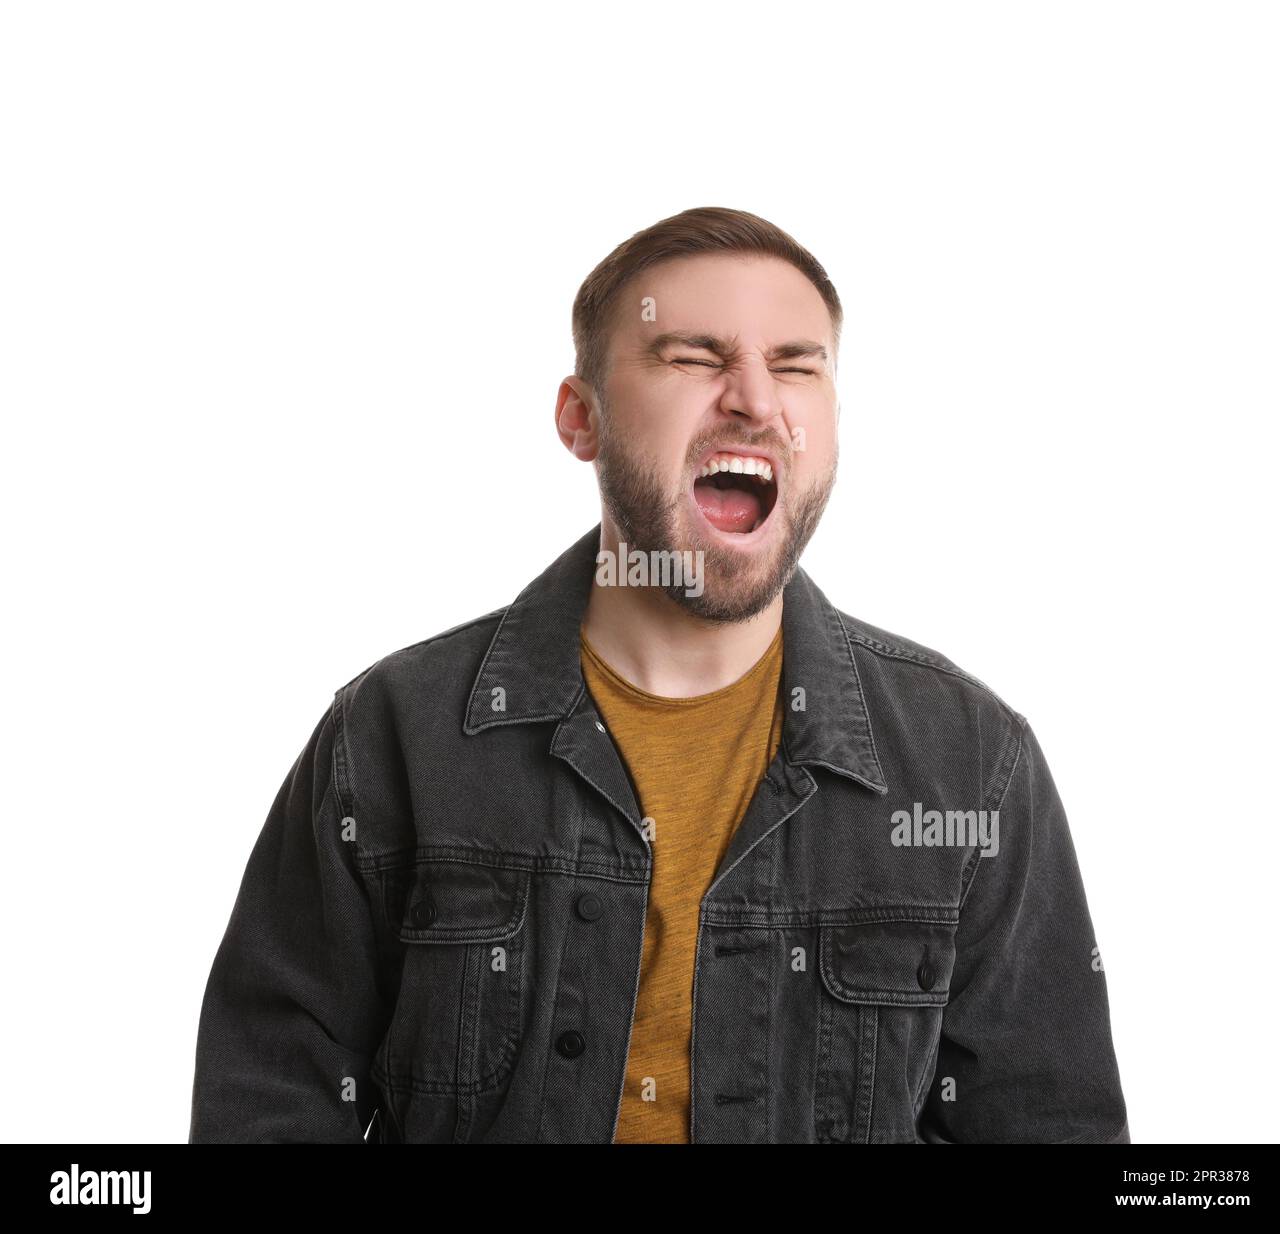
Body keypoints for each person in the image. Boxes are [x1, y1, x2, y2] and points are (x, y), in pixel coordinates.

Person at [189, 206, 1129, 1144]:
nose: (756, 399)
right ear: (580, 418)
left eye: (797, 364)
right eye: (691, 357)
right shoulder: (395, 736)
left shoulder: (968, 762)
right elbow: (269, 1098)